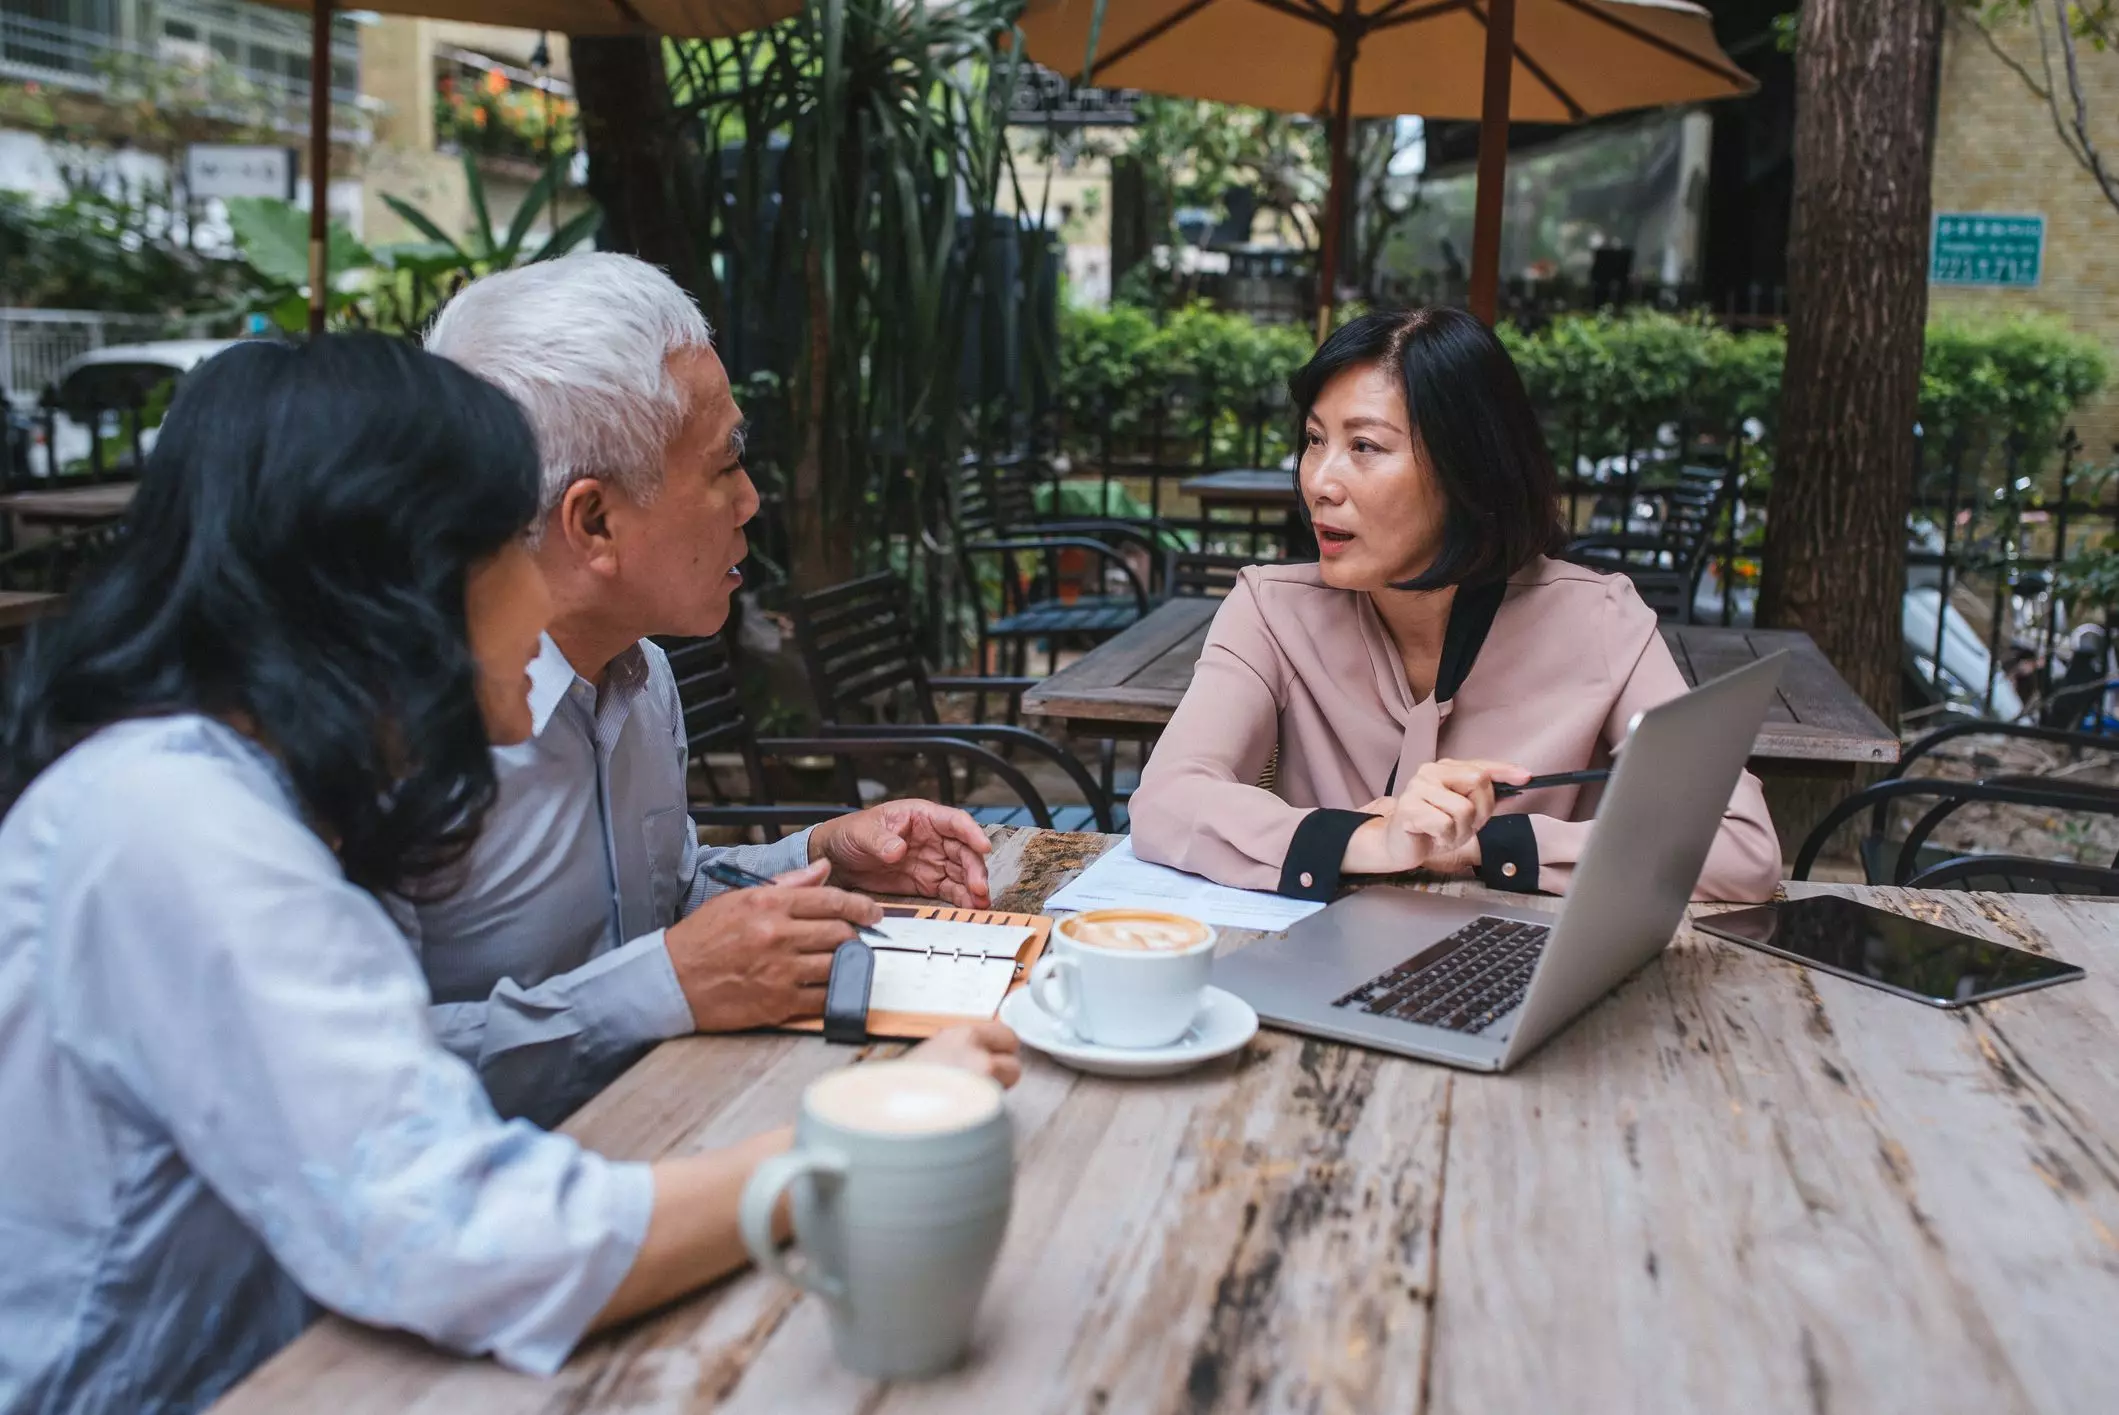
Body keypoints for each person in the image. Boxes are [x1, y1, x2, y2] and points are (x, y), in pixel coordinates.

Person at [0, 335, 1020, 1413]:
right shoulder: (183, 827)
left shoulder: (248, 794)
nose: (541, 598)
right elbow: (471, 1239)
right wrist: (870, 1131)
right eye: (507, 547)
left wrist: (805, 861)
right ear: (395, 580)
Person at [414, 253, 995, 1126]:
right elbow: (343, 1082)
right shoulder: (392, 731)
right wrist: (660, 986)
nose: (752, 500)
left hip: (678, 1126)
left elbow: (665, 896)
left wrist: (825, 855)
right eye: (724, 467)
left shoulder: (640, 679)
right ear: (595, 522)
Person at [1129, 308, 1779, 904]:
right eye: (1313, 439)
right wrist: (1369, 843)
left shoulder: (1599, 620)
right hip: (1315, 972)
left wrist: (1484, 846)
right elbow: (1167, 799)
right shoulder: (1270, 609)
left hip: (1524, 984)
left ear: (1465, 469)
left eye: (1364, 446)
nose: (1318, 482)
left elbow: (1740, 846)